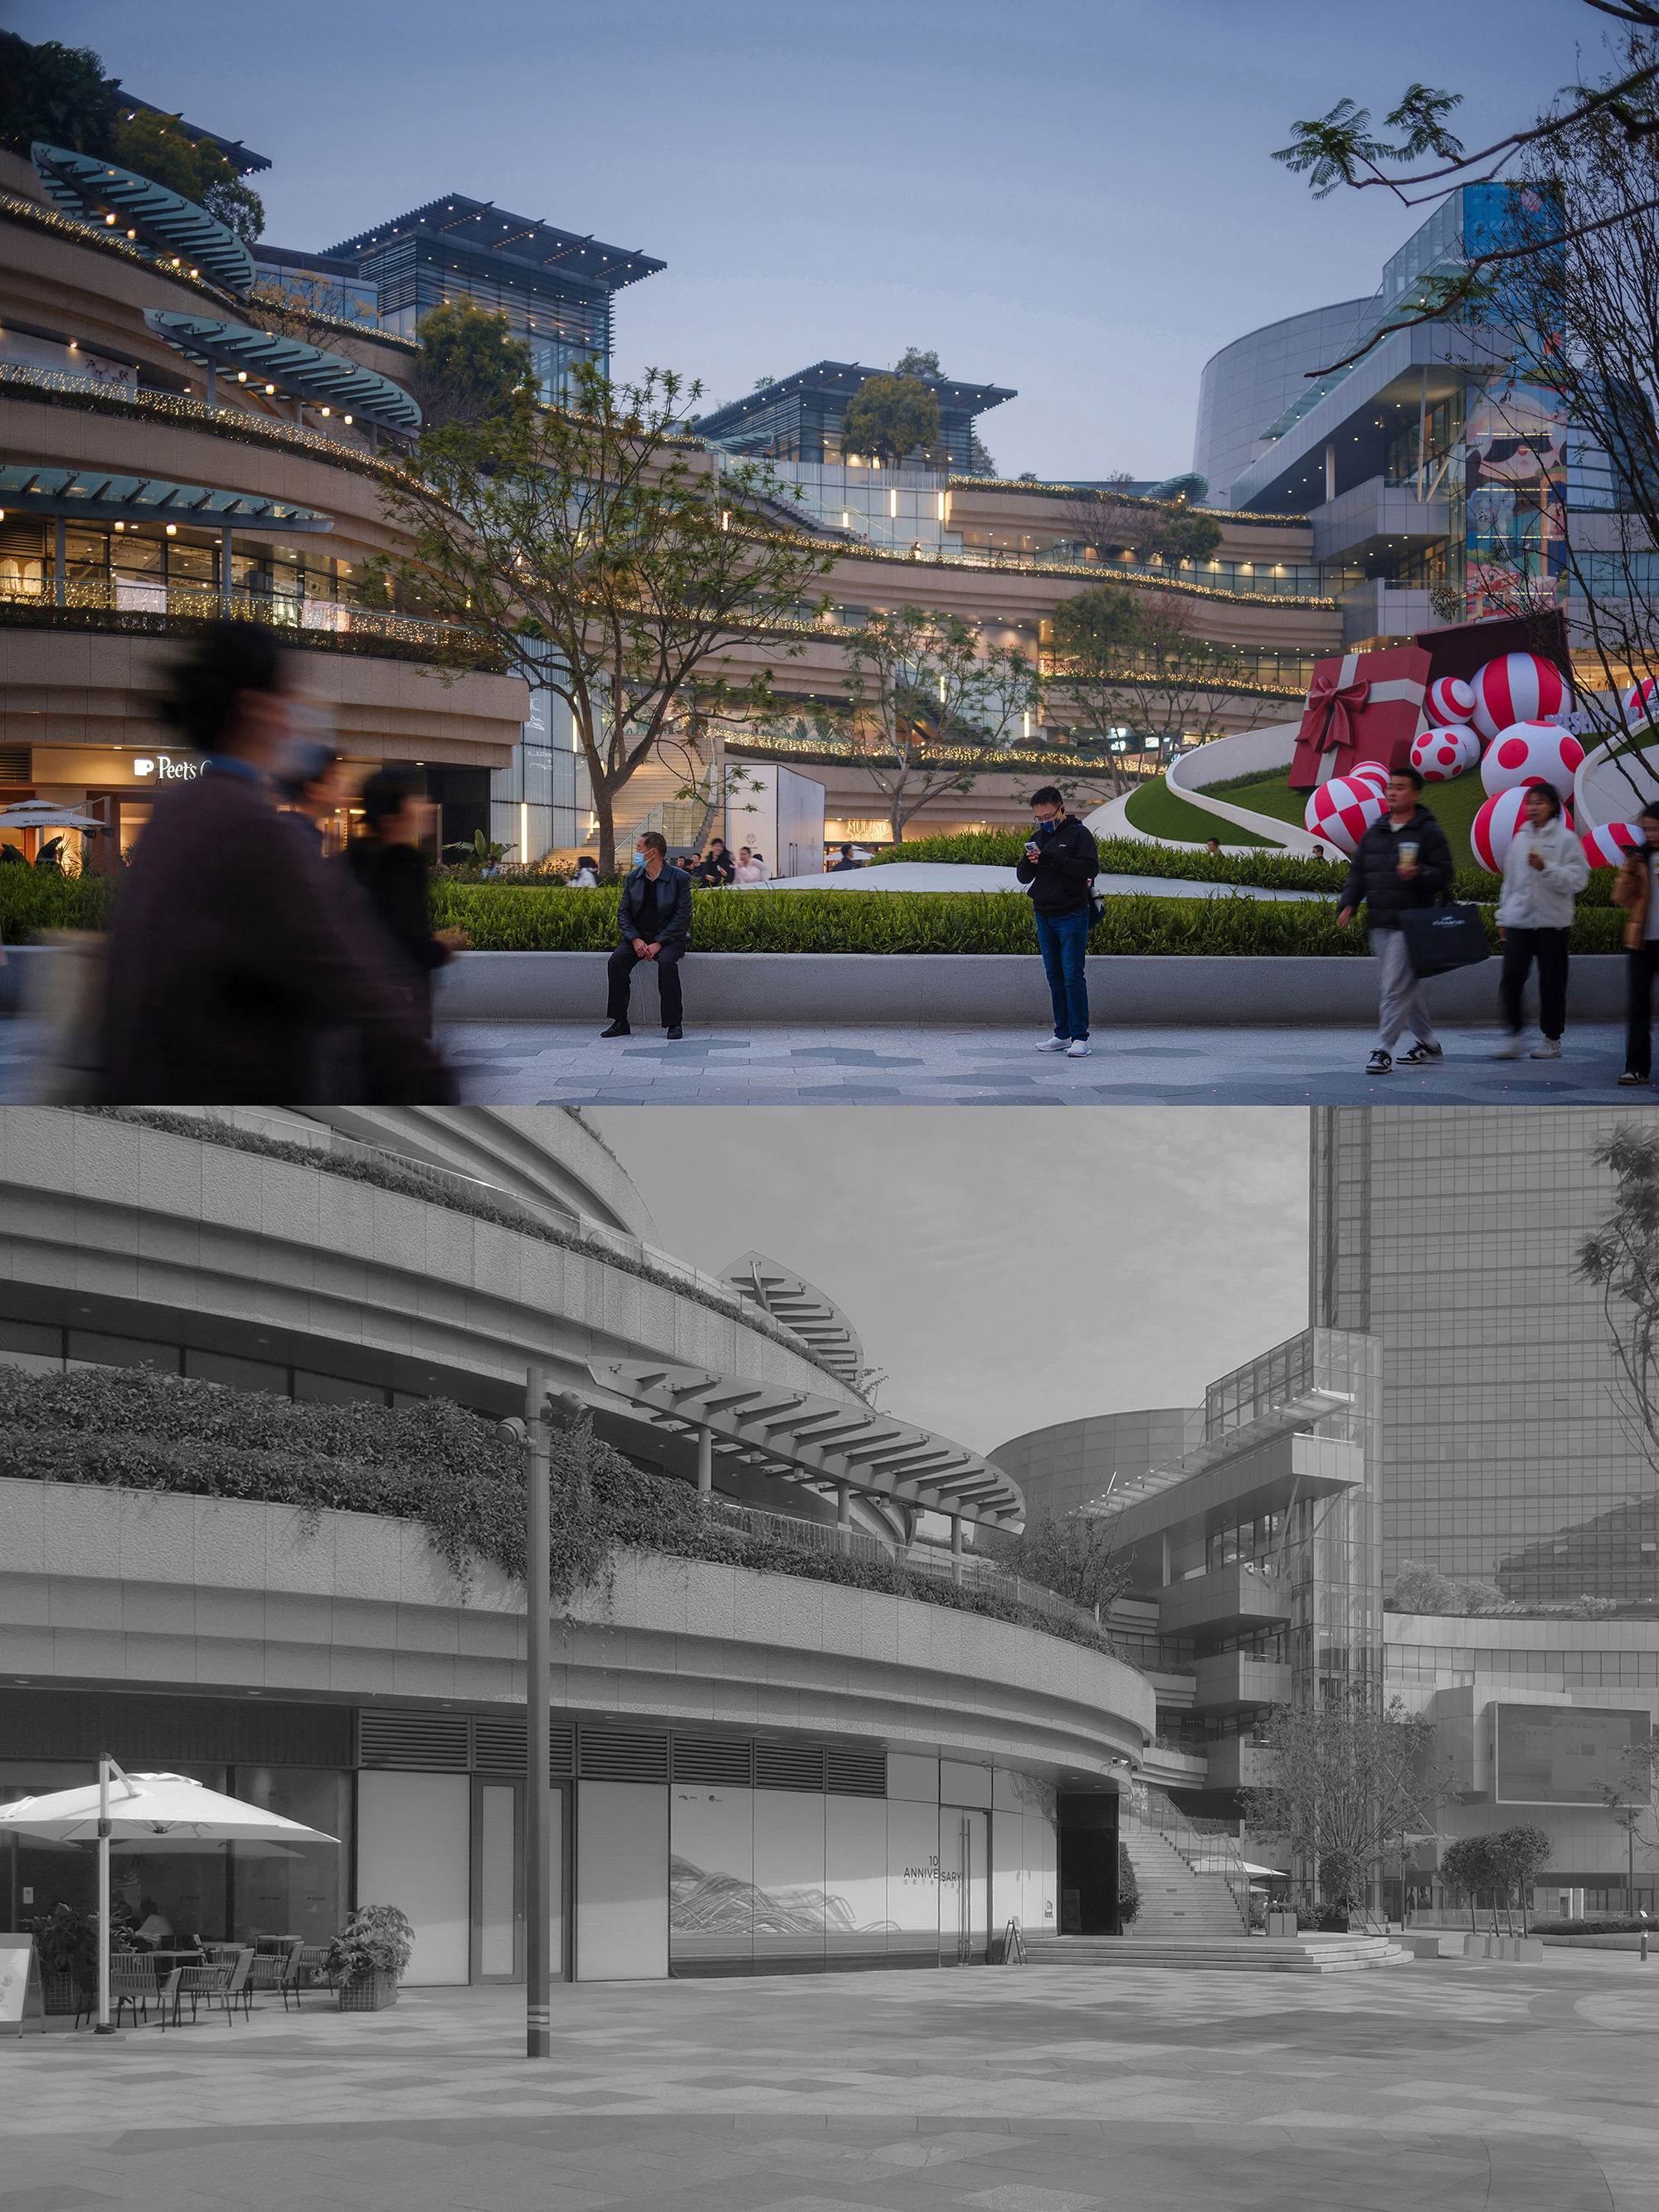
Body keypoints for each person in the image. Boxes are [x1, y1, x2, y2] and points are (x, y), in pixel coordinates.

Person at [101, 622, 453, 1104]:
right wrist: (431, 1076)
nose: (297, 715)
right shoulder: (250, 826)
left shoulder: (177, 809)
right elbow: (345, 968)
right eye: (289, 696)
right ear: (257, 708)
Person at [1336, 765, 1455, 1074]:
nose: (1392, 792)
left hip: (1411, 922)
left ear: (1415, 794)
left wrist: (1420, 873)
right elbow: (1359, 872)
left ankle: (1383, 1049)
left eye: (1400, 787)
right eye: (1390, 786)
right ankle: (1429, 1043)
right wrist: (1348, 903)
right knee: (1405, 987)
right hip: (1380, 921)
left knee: (1394, 987)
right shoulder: (1376, 830)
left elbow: (1445, 872)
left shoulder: (1427, 830)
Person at [343, 767, 469, 1044]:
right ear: (391, 816)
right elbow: (407, 950)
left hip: (356, 1012)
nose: (423, 805)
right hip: (395, 1014)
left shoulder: (354, 858)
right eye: (413, 797)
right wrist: (445, 946)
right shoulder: (401, 862)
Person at [1492, 782, 1589, 1060]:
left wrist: (1547, 867)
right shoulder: (1520, 838)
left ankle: (1552, 1039)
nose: (1533, 808)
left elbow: (1579, 879)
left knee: (1552, 982)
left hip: (1553, 924)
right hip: (1519, 922)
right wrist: (1503, 916)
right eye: (1530, 802)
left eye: (1539, 802)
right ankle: (1513, 1035)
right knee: (1511, 979)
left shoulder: (1566, 839)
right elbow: (1510, 882)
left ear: (1552, 806)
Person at [1017, 784, 1099, 1059]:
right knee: (1055, 976)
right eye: (1038, 818)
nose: (1044, 823)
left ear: (1062, 809)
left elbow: (1088, 868)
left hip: (1072, 914)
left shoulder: (1079, 835)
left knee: (1073, 975)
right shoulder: (1037, 838)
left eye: (1048, 817)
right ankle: (1062, 1034)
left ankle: (1081, 1038)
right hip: (1044, 914)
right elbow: (1023, 877)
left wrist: (1051, 858)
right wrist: (1030, 861)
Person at [603, 829, 693, 1038]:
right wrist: (634, 939)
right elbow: (623, 912)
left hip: (670, 939)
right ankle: (620, 1022)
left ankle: (674, 1024)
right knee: (616, 962)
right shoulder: (633, 877)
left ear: (652, 852)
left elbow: (683, 916)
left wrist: (660, 942)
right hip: (638, 937)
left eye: (638, 848)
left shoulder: (680, 878)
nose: (635, 852)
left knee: (667, 964)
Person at [1614, 805, 1659, 1084]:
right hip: (1642, 942)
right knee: (1638, 1006)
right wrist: (1629, 871)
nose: (1651, 835)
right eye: (1647, 829)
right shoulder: (1640, 857)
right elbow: (1621, 899)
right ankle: (1636, 1067)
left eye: (1656, 829)